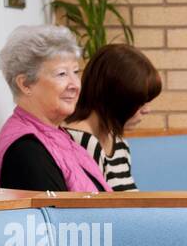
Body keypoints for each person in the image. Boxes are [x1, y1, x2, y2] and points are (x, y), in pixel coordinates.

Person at [0, 25, 111, 193]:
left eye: (75, 72)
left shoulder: (56, 135)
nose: (75, 84)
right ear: (25, 84)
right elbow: (57, 218)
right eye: (62, 74)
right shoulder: (26, 151)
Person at [64, 44, 161, 193]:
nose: (147, 110)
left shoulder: (118, 141)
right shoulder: (82, 142)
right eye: (139, 102)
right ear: (116, 97)